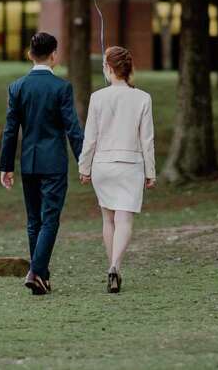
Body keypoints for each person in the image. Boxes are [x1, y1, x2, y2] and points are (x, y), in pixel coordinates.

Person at [0, 31, 85, 295]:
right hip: (54, 163)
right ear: (54, 56)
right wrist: (84, 161)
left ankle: (41, 279)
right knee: (50, 220)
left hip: (29, 162)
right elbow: (72, 128)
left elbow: (10, 130)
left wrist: (6, 166)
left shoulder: (17, 87)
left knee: (34, 220)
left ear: (29, 55)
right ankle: (35, 271)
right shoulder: (62, 88)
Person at [78, 46, 156, 294]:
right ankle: (115, 266)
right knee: (124, 219)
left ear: (109, 68)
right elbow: (147, 140)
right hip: (130, 165)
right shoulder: (143, 98)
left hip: (103, 165)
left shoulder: (97, 97)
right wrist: (150, 171)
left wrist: (84, 166)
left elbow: (90, 138)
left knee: (108, 219)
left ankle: (113, 268)